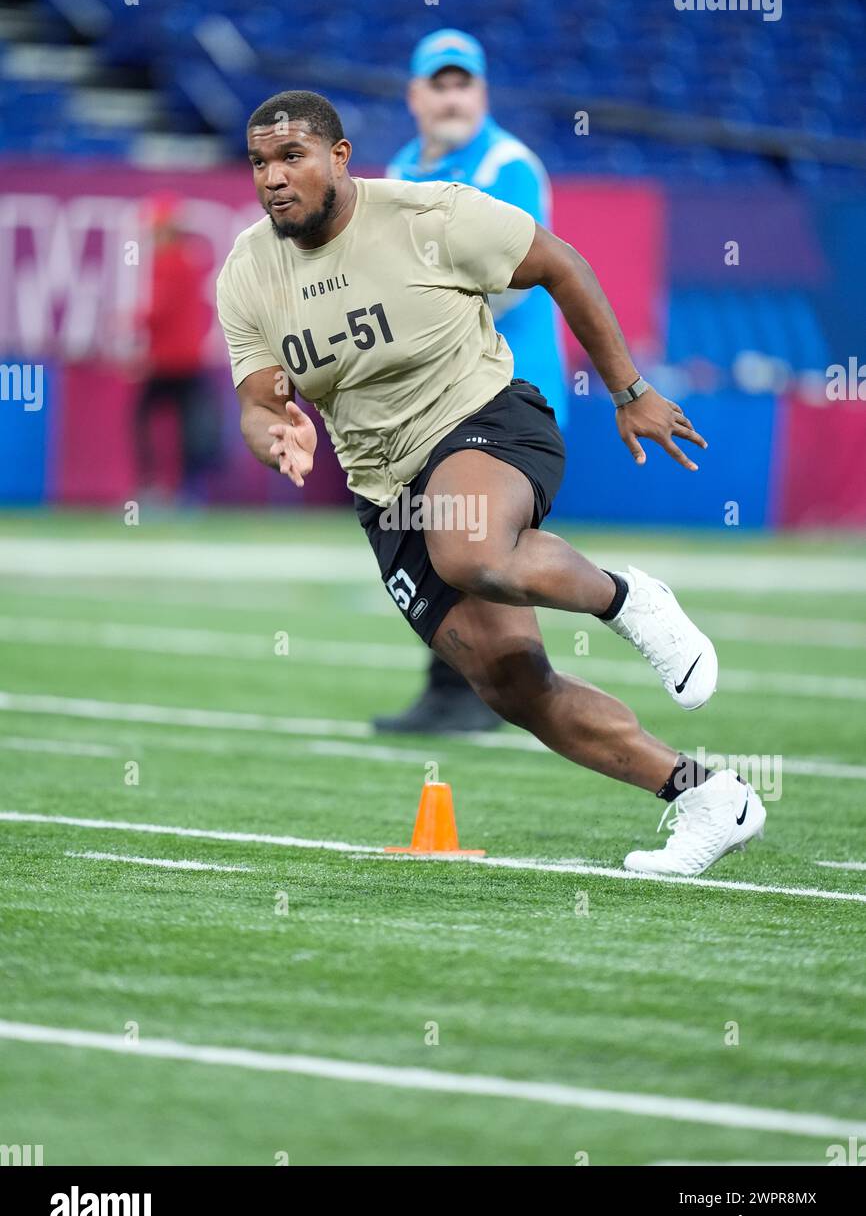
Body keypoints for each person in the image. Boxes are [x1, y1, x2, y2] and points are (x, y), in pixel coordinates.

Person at [216, 89, 767, 876]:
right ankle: (709, 798)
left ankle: (628, 598)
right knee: (512, 684)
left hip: (487, 419)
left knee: (470, 550)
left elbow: (561, 264)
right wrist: (273, 427)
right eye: (260, 162)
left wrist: (629, 391)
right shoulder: (246, 269)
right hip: (386, 490)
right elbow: (258, 398)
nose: (273, 177)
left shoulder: (427, 216)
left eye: (292, 156)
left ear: (340, 157)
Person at [376, 28, 566, 734]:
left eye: (464, 84)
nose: (452, 96)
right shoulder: (399, 166)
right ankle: (452, 688)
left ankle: (520, 688)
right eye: (440, 83)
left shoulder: (508, 164)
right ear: (415, 96)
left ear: (482, 94)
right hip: (434, 394)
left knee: (483, 545)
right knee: (440, 539)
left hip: (509, 387)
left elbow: (509, 278)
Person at [135, 193, 217, 502]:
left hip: (168, 360)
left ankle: (151, 485)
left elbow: (159, 310)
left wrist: (127, 320)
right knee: (187, 425)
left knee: (144, 419)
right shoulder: (190, 258)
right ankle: (189, 490)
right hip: (190, 358)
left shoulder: (167, 261)